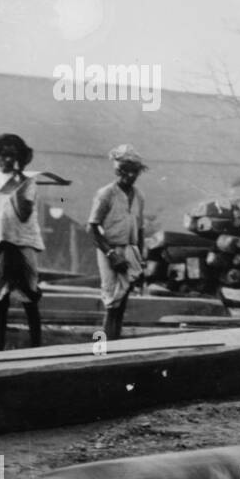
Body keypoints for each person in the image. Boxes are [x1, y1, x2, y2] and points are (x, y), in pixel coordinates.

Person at [0, 133, 45, 350]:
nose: (7, 159)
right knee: (0, 300)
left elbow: (24, 213)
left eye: (13, 156)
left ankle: (37, 350)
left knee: (30, 298)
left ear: (20, 158)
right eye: (4, 155)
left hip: (24, 244)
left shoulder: (27, 181)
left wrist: (17, 179)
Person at [88, 144, 147, 340]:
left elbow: (139, 228)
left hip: (130, 249)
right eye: (125, 171)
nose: (129, 176)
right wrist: (110, 254)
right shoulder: (106, 193)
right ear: (118, 171)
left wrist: (141, 258)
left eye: (134, 172)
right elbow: (93, 228)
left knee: (124, 298)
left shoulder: (139, 196)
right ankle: (105, 346)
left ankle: (116, 343)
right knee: (111, 299)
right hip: (110, 248)